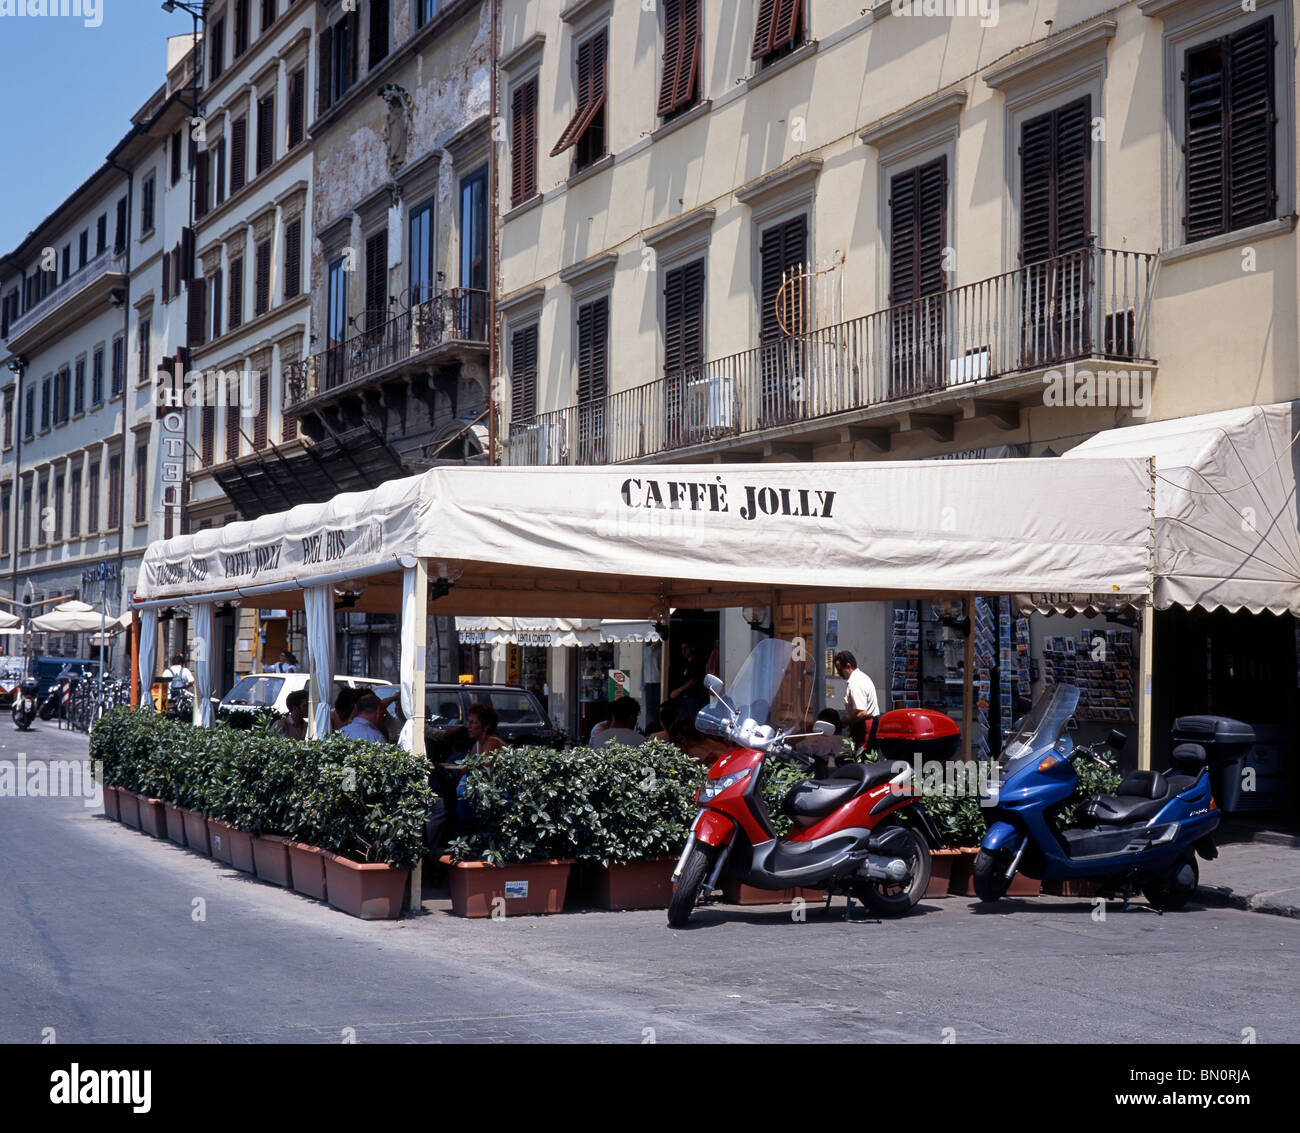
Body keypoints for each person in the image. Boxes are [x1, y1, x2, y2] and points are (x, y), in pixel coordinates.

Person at [834, 651, 879, 751]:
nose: (838, 673)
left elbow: (862, 712)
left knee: (863, 759)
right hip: (863, 725)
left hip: (865, 726)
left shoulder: (855, 682)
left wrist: (845, 721)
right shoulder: (861, 677)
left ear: (848, 666)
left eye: (840, 669)